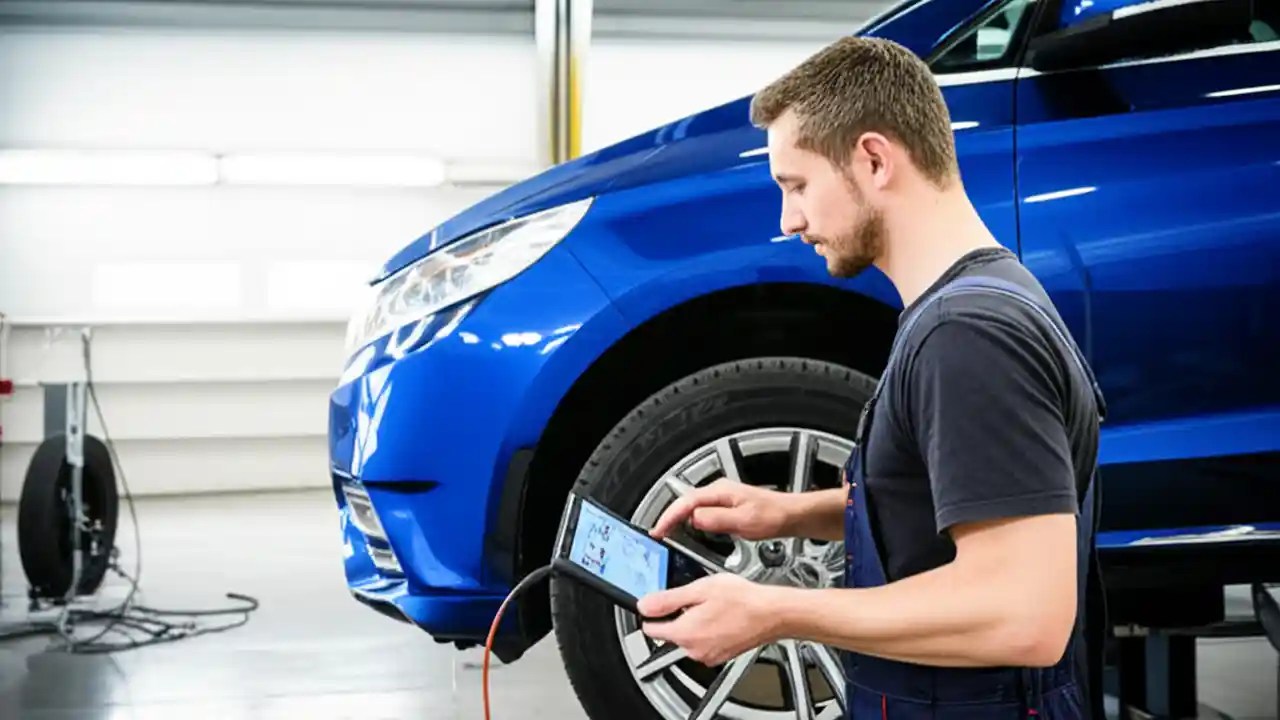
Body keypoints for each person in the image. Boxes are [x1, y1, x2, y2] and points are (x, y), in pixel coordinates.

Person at [638, 36, 1106, 719]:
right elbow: (958, 499)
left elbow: (1023, 615)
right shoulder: (977, 302)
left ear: (874, 160)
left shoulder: (966, 337)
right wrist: (791, 514)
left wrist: (775, 611)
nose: (789, 220)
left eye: (797, 185)